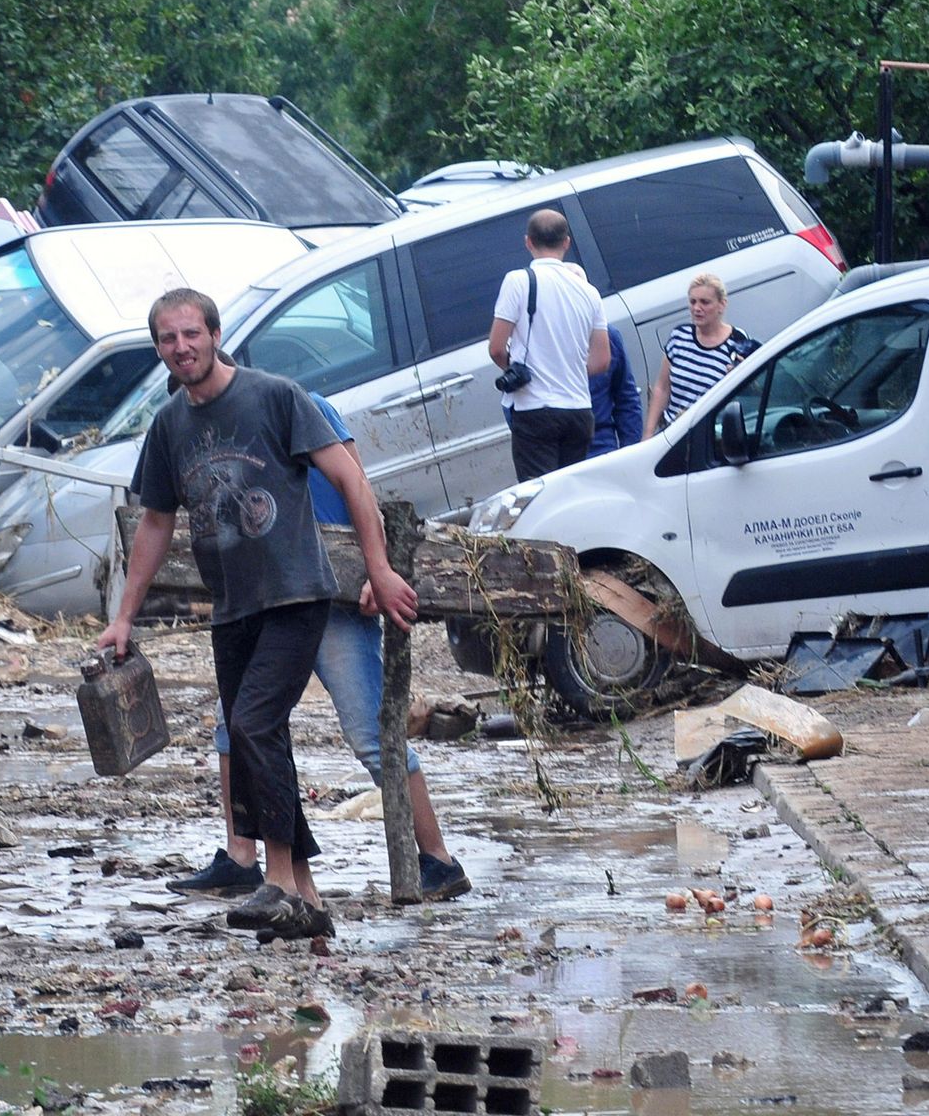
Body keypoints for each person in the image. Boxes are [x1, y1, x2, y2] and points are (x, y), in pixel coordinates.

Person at [99, 287, 419, 941]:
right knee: (252, 738)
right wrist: (124, 616)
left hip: (297, 594)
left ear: (215, 335)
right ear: (158, 348)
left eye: (191, 334)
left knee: (251, 724)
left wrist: (379, 568)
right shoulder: (169, 425)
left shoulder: (275, 397)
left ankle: (277, 882)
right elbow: (156, 522)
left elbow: (351, 478)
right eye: (168, 339)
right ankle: (307, 898)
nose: (181, 347)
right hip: (233, 607)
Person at [169, 391, 469, 903]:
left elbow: (356, 484)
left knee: (371, 733)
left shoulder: (295, 405)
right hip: (273, 600)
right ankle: (241, 857)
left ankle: (438, 859)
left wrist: (376, 568)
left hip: (335, 598)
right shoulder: (213, 434)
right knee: (234, 726)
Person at [487, 210, 610, 480]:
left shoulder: (518, 281)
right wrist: (567, 370)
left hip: (535, 409)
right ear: (566, 242)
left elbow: (496, 348)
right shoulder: (589, 292)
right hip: (578, 410)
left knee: (539, 494)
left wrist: (518, 369)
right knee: (570, 491)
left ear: (528, 242)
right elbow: (602, 360)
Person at [643, 273, 759, 437]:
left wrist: (739, 378)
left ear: (721, 305)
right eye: (693, 302)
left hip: (710, 438)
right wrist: (648, 434)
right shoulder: (679, 336)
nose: (697, 308)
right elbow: (662, 388)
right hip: (672, 432)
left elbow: (756, 393)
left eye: (705, 302)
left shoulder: (738, 342)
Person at [588, 323, 644, 458]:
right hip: (554, 452)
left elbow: (627, 401)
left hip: (600, 448)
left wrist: (630, 455)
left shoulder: (607, 336)